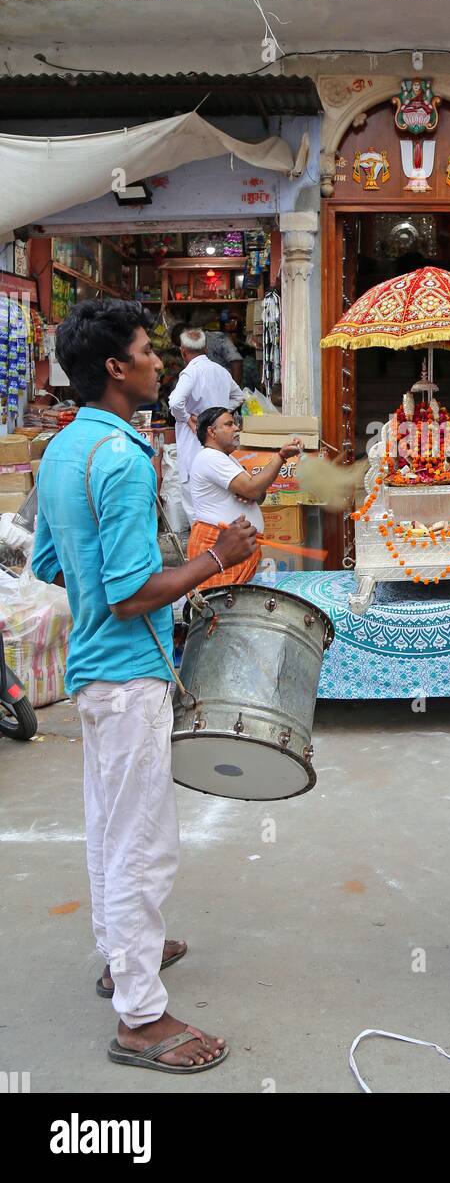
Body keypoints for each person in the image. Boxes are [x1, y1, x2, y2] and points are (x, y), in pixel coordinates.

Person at [32, 299, 257, 1073]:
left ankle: (121, 954)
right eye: (146, 351)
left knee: (109, 826)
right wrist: (217, 556)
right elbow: (130, 594)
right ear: (115, 370)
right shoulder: (122, 459)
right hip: (128, 674)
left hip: (97, 674)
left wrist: (107, 583)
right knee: (142, 844)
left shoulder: (64, 451)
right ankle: (140, 1017)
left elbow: (50, 565)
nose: (161, 362)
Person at [187, 407, 303, 587]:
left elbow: (259, 494)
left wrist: (252, 492)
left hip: (235, 546)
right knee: (219, 607)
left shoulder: (227, 459)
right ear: (211, 431)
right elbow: (254, 489)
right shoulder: (210, 457)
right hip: (218, 542)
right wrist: (281, 457)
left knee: (231, 607)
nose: (236, 428)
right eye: (229, 424)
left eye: (235, 424)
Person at [168, 328, 245, 523]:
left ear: (183, 351)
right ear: (206, 348)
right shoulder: (220, 371)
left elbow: (175, 403)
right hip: (218, 445)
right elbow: (239, 396)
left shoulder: (190, 373)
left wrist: (188, 418)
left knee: (196, 503)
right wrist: (219, 414)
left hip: (195, 443)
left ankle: (203, 547)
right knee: (216, 499)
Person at [188, 310, 243, 386]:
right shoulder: (217, 338)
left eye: (233, 332)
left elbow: (236, 361)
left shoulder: (217, 339)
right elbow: (236, 361)